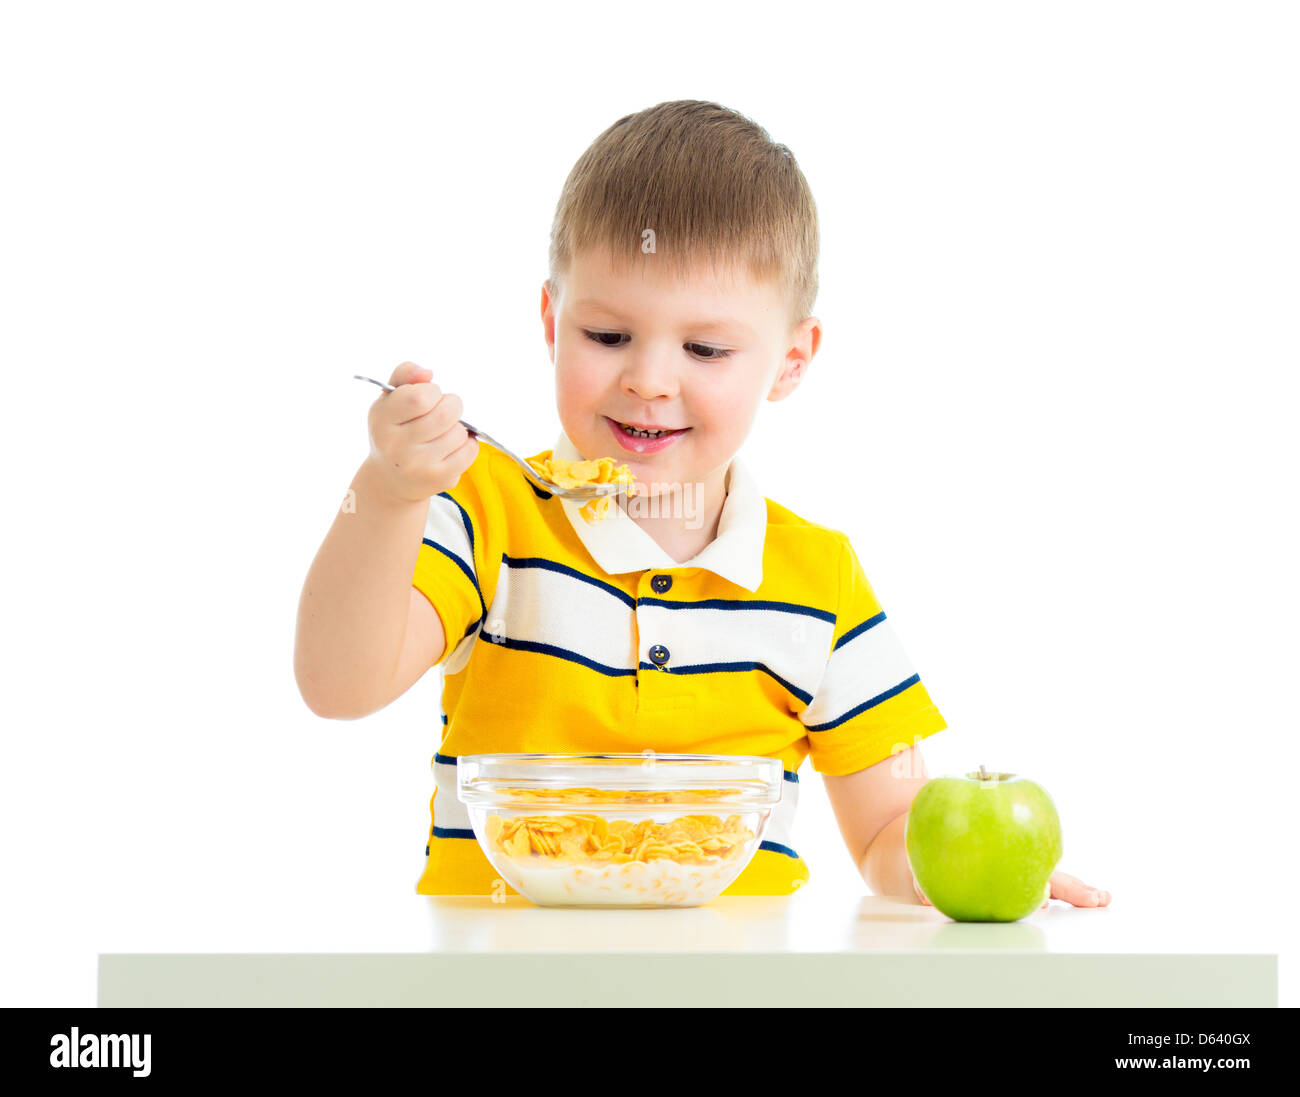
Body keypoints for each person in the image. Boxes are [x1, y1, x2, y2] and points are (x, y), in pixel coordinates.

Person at [295, 99, 1111, 909]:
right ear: (551, 321)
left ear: (791, 361)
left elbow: (886, 827)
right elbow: (338, 683)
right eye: (607, 336)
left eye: (705, 348)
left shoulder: (818, 579)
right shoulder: (486, 512)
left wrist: (984, 866)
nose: (649, 379)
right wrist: (390, 491)